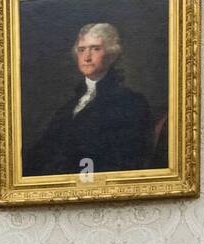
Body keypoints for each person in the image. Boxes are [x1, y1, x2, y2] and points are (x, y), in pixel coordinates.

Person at [25, 23, 153, 177]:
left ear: (112, 55)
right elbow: (42, 151)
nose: (86, 57)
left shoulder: (131, 103)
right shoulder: (69, 106)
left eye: (96, 49)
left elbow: (125, 161)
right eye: (81, 49)